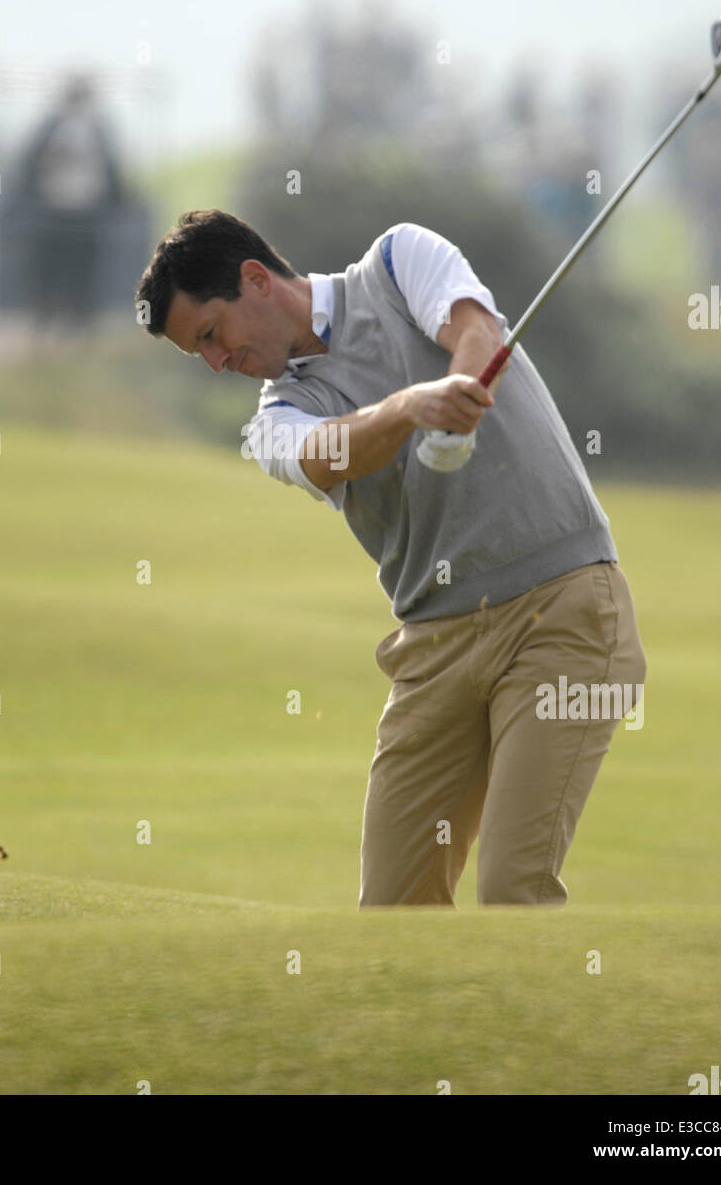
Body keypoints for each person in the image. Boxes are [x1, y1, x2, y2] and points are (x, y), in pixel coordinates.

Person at [136, 209, 647, 908]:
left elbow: (475, 330)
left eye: (210, 336)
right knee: (392, 914)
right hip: (434, 649)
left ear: (255, 280)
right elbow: (328, 454)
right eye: (203, 356)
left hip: (562, 611)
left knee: (513, 888)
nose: (220, 363)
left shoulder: (398, 261)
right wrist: (413, 409)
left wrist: (457, 393)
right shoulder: (273, 421)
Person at [14, 74, 124, 333]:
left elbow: (112, 171)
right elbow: (29, 166)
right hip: (52, 212)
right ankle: (45, 318)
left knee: (83, 270)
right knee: (48, 269)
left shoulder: (98, 129)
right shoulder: (50, 127)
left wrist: (116, 204)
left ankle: (80, 320)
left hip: (86, 213)